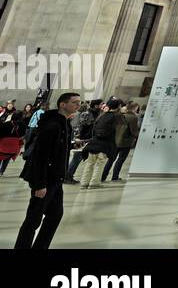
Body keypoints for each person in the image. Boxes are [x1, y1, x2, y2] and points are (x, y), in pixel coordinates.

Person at [14, 92, 78, 249]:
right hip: (44, 180)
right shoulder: (52, 126)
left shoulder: (65, 124)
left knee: (55, 215)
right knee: (33, 219)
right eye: (74, 102)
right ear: (62, 104)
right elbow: (40, 157)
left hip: (56, 179)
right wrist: (40, 184)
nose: (78, 105)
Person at [81, 98, 120, 190]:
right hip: (104, 145)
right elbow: (115, 132)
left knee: (89, 164)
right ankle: (94, 183)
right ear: (118, 107)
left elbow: (94, 130)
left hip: (93, 143)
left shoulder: (101, 116)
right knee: (99, 164)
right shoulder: (116, 117)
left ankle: (84, 183)